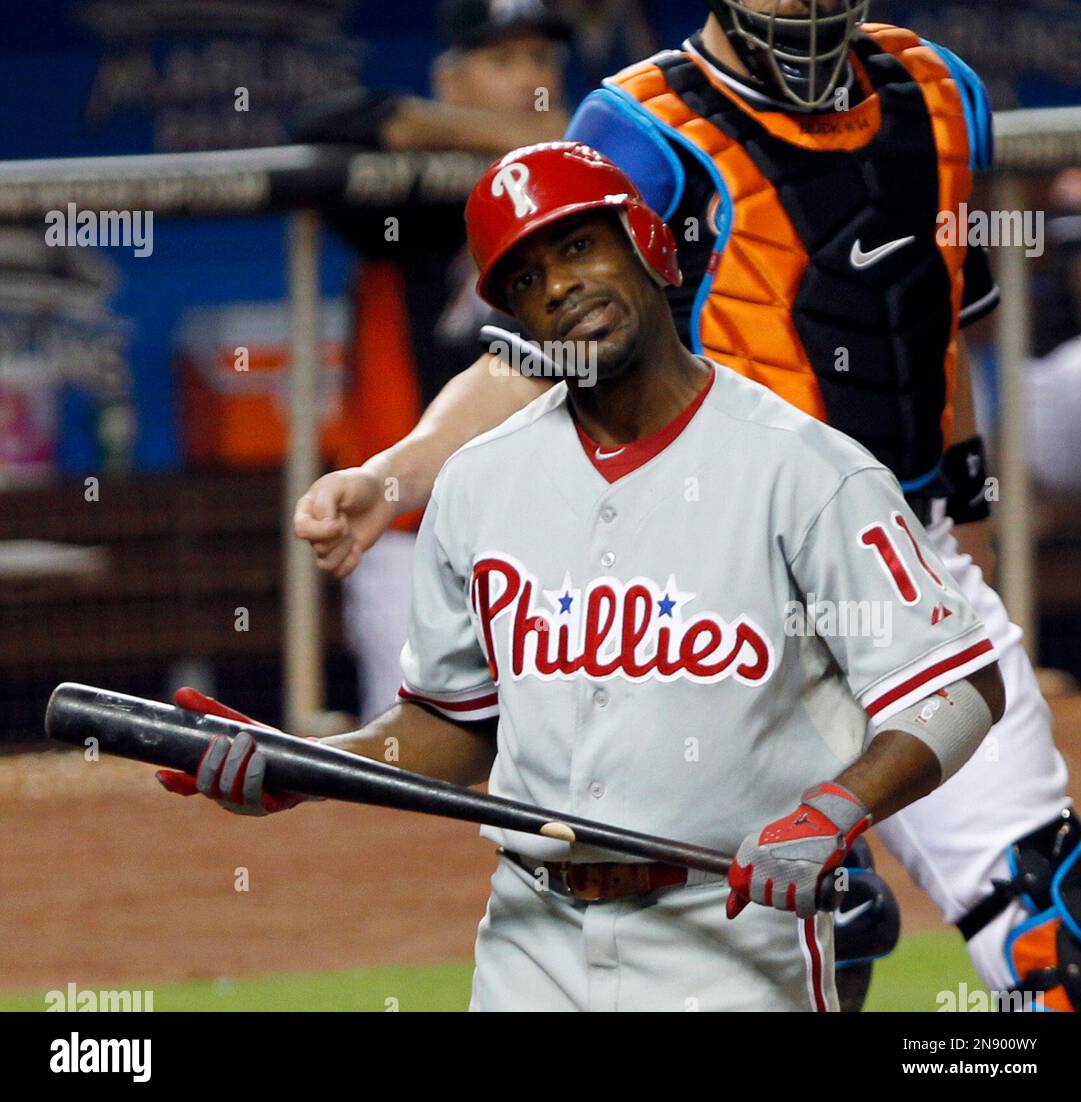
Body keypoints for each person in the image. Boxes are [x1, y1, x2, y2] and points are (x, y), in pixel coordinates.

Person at [293, 0, 1081, 1012]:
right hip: (725, 574)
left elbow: (937, 337)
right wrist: (394, 473)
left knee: (1054, 926)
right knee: (793, 926)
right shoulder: (637, 125)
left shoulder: (943, 94)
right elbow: (537, 350)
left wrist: (964, 536)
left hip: (898, 554)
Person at [162, 141, 1005, 1013]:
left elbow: (959, 687)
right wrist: (298, 766)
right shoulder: (480, 485)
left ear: (648, 245)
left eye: (576, 248)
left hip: (728, 943)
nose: (558, 286)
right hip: (530, 946)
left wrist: (835, 809)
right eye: (523, 279)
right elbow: (452, 727)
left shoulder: (806, 472)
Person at [292, 0, 571, 720]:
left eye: (540, 59)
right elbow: (319, 128)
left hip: (556, 525)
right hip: (412, 529)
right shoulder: (407, 189)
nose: (528, 79)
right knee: (417, 763)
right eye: (502, 61)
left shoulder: (582, 180)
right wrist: (504, 137)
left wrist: (549, 144)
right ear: (450, 78)